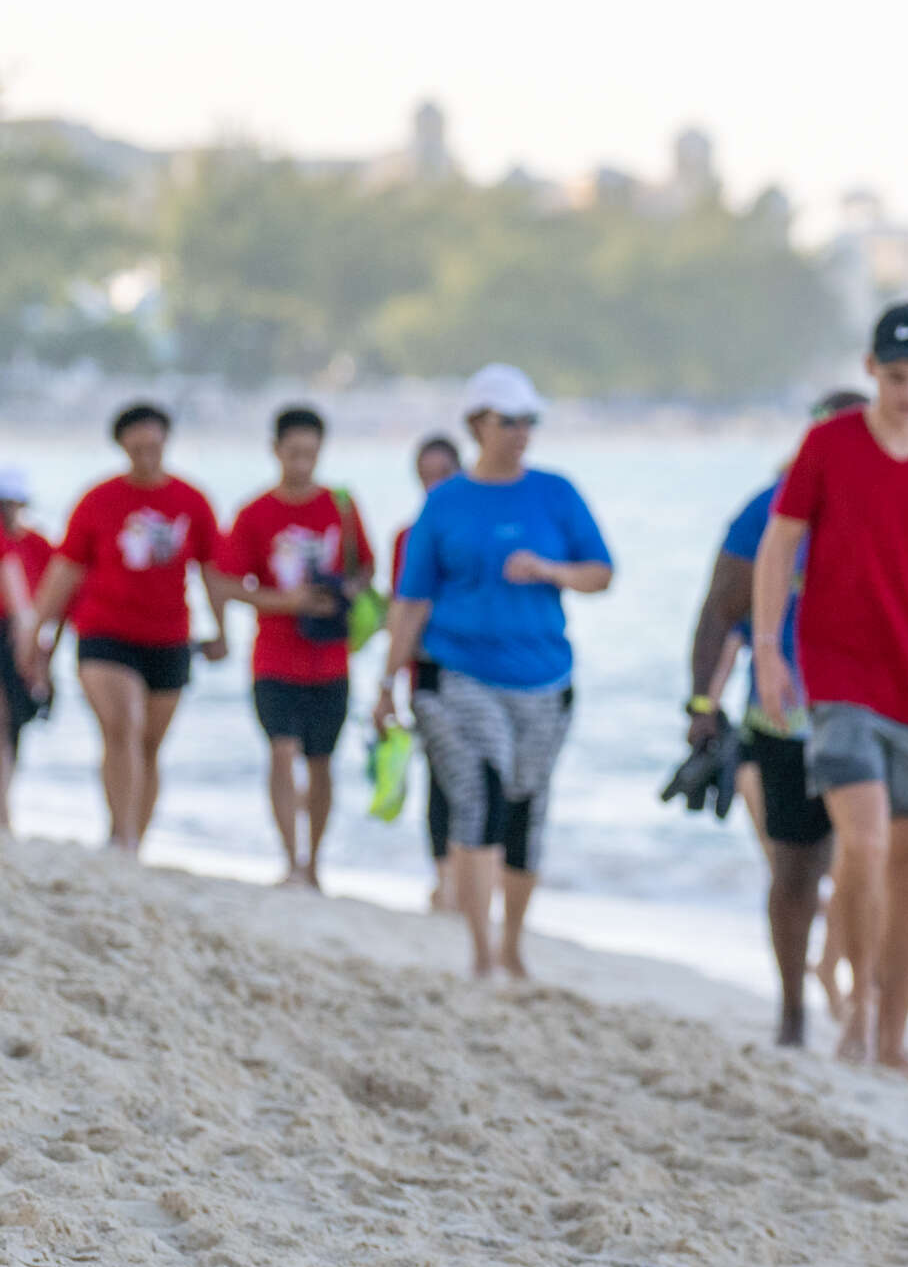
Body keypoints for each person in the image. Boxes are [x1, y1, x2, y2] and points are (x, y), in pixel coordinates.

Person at [753, 307, 908, 1076]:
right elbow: (778, 545)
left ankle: (889, 1035)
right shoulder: (829, 443)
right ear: (872, 369)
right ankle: (855, 1005)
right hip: (840, 676)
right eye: (896, 376)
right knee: (866, 842)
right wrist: (772, 651)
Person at [373, 366, 613, 978]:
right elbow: (412, 600)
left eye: (530, 421)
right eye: (509, 421)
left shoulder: (556, 492)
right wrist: (385, 681)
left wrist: (550, 571)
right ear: (478, 424)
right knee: (477, 795)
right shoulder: (445, 503)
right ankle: (480, 951)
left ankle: (513, 945)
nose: (521, 433)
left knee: (525, 807)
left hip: (544, 677)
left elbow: (600, 572)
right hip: (458, 673)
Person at [689, 388, 869, 1048]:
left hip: (875, 713)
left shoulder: (901, 503)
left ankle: (862, 1002)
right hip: (784, 719)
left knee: (868, 861)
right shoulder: (763, 512)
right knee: (796, 869)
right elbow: (718, 611)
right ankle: (794, 1009)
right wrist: (701, 706)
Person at [18, 403, 227, 852]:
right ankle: (121, 835)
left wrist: (223, 629)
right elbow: (65, 570)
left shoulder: (192, 501)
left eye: (154, 446)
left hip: (170, 637)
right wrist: (37, 629)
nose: (147, 455)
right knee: (122, 726)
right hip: (104, 632)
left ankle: (136, 840)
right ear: (123, 448)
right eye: (137, 448)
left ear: (166, 442)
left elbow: (212, 571)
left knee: (149, 744)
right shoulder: (98, 499)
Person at [215, 406, 375, 889]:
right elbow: (226, 582)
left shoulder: (342, 505)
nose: (303, 462)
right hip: (274, 657)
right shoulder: (254, 512)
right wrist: (283, 600)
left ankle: (314, 863)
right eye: (294, 452)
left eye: (311, 453)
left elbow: (364, 568)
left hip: (330, 657)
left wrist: (344, 592)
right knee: (281, 752)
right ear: (276, 450)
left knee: (322, 762)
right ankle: (289, 858)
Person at [395, 435, 463, 907]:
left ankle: (471, 876)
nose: (434, 484)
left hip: (479, 668)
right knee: (440, 776)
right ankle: (445, 879)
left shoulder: (475, 527)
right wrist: (388, 680)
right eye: (426, 475)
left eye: (443, 473)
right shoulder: (408, 535)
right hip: (426, 669)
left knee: (483, 775)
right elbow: (401, 607)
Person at [0, 467, 51, 832]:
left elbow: (57, 596)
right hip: (17, 633)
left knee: (13, 728)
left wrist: (38, 652)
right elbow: (18, 598)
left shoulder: (36, 544)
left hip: (22, 636)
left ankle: (5, 813)